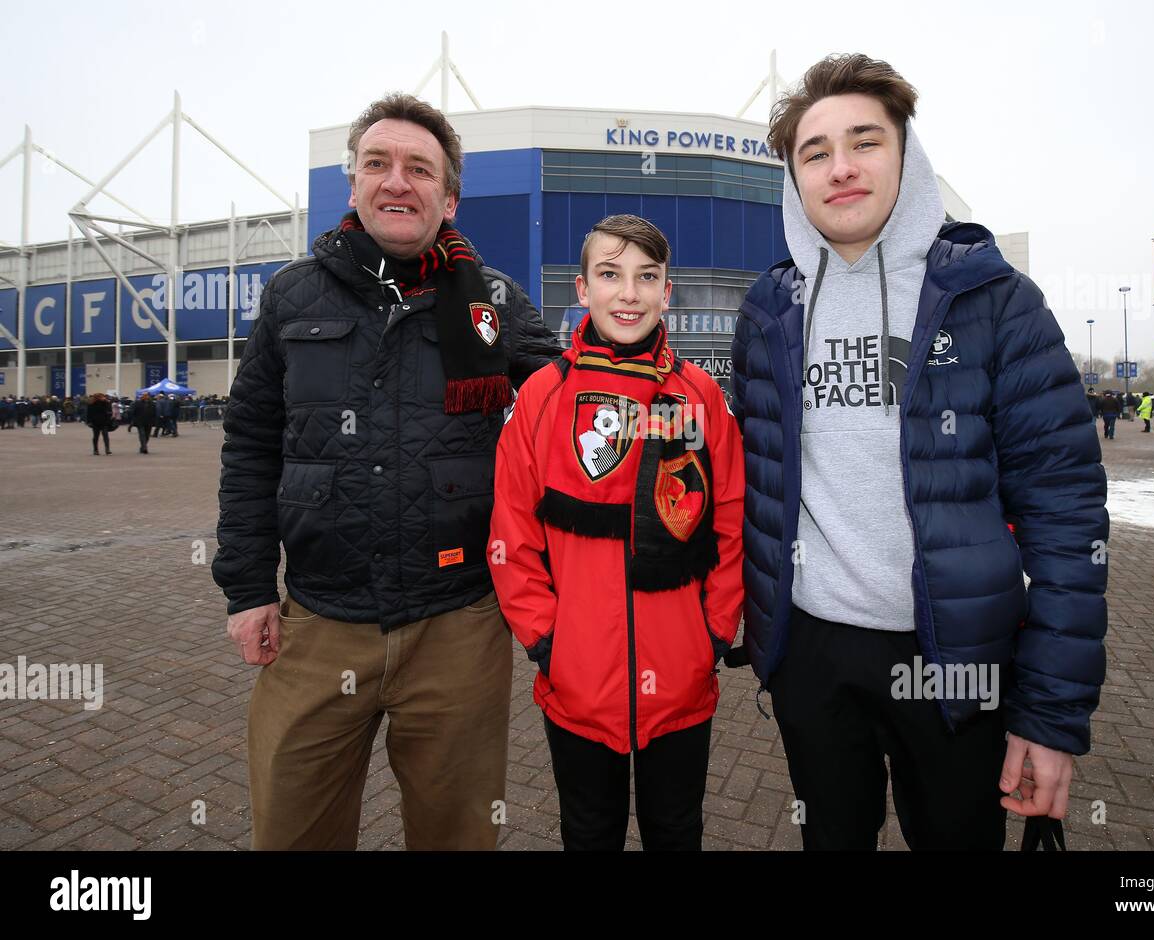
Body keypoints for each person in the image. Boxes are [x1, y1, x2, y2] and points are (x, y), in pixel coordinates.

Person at [731, 54, 1108, 850]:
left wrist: (1049, 714)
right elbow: (758, 484)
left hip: (954, 656)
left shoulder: (994, 302)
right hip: (812, 650)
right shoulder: (768, 310)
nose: (840, 167)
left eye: (864, 141)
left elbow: (1069, 520)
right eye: (814, 151)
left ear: (907, 154)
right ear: (793, 178)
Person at [212, 92, 560, 851]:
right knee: (291, 833)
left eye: (419, 168)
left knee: (460, 837)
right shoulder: (291, 295)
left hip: (459, 627)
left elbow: (569, 404)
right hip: (315, 627)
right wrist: (245, 589)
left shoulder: (493, 302)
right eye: (379, 163)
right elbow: (249, 445)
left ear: (449, 196)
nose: (397, 181)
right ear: (354, 186)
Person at [489, 215, 743, 851]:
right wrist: (547, 640)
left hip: (681, 679)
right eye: (610, 275)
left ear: (667, 292)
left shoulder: (700, 398)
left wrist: (712, 631)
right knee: (588, 833)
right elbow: (512, 535)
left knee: (677, 832)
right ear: (582, 289)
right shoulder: (543, 398)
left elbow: (732, 520)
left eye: (645, 277)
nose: (628, 293)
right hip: (576, 681)